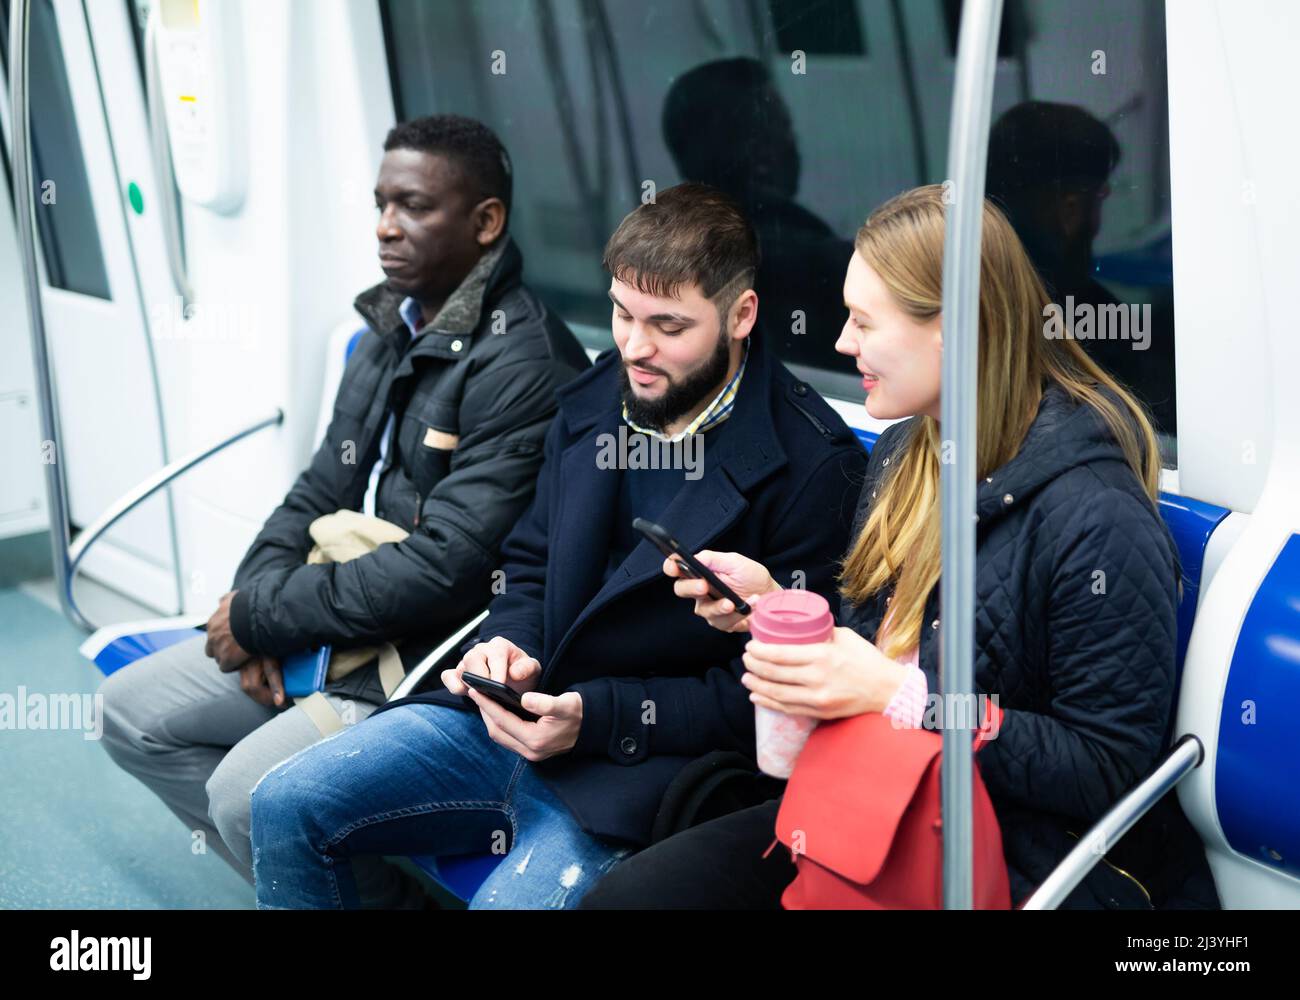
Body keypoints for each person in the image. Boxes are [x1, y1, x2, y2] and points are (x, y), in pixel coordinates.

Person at [580, 184, 1220, 910]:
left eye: (862, 321)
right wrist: (775, 605)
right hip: (874, 791)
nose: (841, 342)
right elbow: (884, 643)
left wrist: (905, 699)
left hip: (1011, 849)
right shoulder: (901, 454)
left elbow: (1104, 769)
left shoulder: (1095, 516)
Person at [245, 183, 868, 909]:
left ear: (742, 315)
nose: (636, 347)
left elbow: (771, 697)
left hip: (641, 767)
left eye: (668, 325)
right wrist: (505, 650)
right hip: (509, 716)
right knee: (283, 804)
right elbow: (530, 563)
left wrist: (595, 716)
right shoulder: (600, 396)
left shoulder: (813, 464)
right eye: (622, 313)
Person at [98, 114, 589, 907]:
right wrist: (254, 608)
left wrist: (268, 617)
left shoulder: (524, 362)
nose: (385, 228)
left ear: (486, 222)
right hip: (324, 622)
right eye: (380, 203)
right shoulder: (391, 324)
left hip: (412, 662)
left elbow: (447, 568)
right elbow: (319, 487)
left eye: (414, 207)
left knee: (245, 795)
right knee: (130, 713)